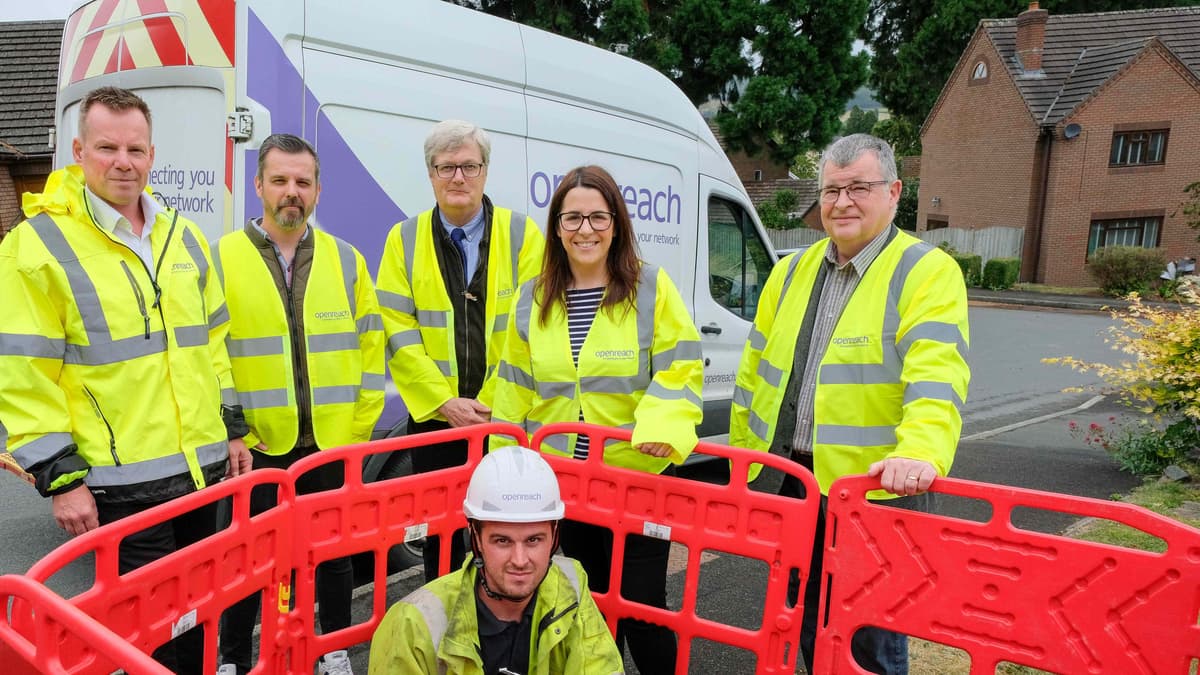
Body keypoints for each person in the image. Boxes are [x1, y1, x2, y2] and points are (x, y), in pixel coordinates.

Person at [0, 86, 251, 674]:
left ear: (152, 154)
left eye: (135, 148)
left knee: (197, 615)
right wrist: (60, 478)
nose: (123, 161)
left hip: (200, 474)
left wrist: (232, 429)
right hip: (122, 491)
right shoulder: (36, 247)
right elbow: (22, 373)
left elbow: (212, 343)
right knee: (143, 634)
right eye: (108, 147)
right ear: (79, 151)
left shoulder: (181, 236)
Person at [729, 134, 970, 675]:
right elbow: (754, 377)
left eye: (858, 187)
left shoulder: (925, 271)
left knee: (869, 643)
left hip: (876, 492)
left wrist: (922, 453)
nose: (842, 202)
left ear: (894, 192)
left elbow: (937, 374)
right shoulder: (790, 271)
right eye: (832, 190)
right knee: (800, 625)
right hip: (793, 484)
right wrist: (746, 464)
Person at [490, 165, 703, 674]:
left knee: (644, 607)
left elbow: (682, 365)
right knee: (576, 608)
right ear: (557, 227)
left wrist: (662, 428)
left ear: (617, 223)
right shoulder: (532, 297)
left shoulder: (649, 286)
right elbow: (513, 387)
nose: (585, 230)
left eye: (597, 217)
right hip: (563, 486)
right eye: (573, 218)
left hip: (637, 478)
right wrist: (500, 470)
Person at [214, 134, 384, 675]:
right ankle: (233, 660)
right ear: (259, 185)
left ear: (317, 191)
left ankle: (330, 651)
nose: (292, 192)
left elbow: (371, 351)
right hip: (258, 449)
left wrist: (357, 435)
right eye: (281, 180)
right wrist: (233, 430)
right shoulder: (222, 259)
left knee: (332, 558)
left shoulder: (347, 261)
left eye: (303, 182)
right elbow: (210, 354)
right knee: (245, 561)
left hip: (331, 447)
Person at [376, 119, 544, 582]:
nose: (458, 177)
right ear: (430, 173)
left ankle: (499, 630)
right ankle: (445, 628)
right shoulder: (402, 239)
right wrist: (445, 402)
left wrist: (489, 403)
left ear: (485, 171)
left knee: (506, 536)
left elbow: (529, 326)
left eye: (469, 166)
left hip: (503, 419)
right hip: (435, 423)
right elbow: (396, 328)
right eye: (446, 167)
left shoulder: (523, 235)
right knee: (441, 537)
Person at [368, 445, 624, 674]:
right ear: (476, 538)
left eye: (534, 540)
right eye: (502, 541)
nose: (520, 560)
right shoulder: (414, 624)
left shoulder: (570, 584)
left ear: (554, 536)